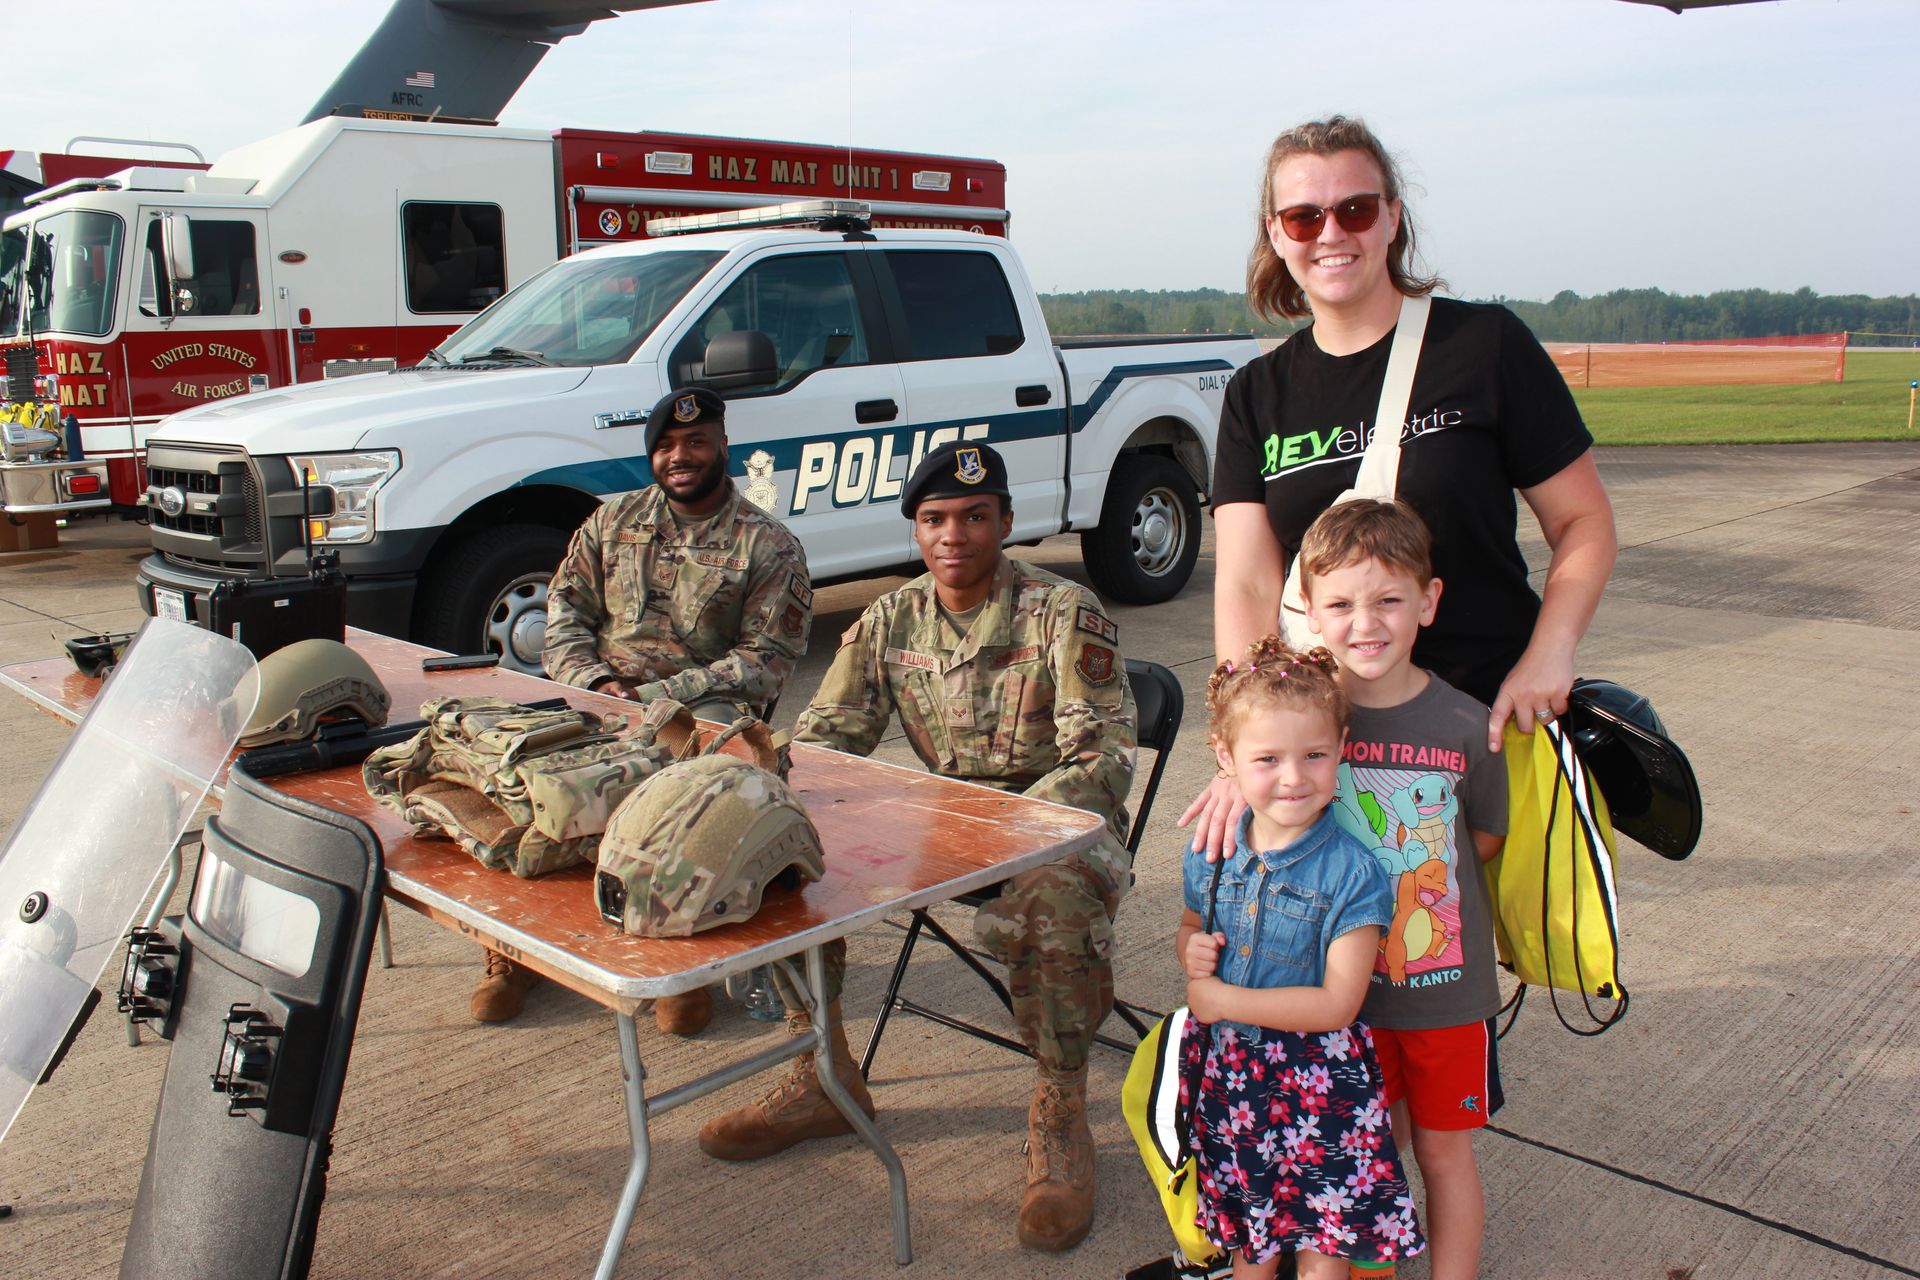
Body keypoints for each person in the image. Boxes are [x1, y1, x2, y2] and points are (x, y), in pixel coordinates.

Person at [694, 441, 1137, 1254]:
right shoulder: (892, 618)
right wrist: (759, 774)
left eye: (974, 516)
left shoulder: (1063, 612)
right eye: (934, 519)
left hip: (1060, 826)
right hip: (944, 830)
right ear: (916, 530)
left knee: (1055, 888)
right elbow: (830, 737)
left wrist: (1009, 835)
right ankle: (825, 1077)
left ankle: (1061, 1109)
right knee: (775, 845)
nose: (954, 534)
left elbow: (1101, 760)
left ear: (1005, 521)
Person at [1183, 114, 1616, 860]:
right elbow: (1249, 584)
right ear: (1276, 233)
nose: (1331, 233)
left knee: (1454, 961)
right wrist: (1246, 738)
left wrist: (1550, 653)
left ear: (1391, 218)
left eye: (1355, 209)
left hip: (1482, 729)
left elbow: (1585, 524)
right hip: (1329, 752)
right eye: (1304, 216)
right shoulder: (1256, 394)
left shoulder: (1483, 347)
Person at [468, 385, 813, 1034]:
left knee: (679, 802)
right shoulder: (611, 522)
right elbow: (565, 614)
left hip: (696, 713)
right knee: (514, 781)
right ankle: (510, 954)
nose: (680, 456)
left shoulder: (766, 543)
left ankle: (684, 968)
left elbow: (764, 660)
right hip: (599, 699)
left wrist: (651, 702)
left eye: (695, 442)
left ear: (722, 447)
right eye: (666, 446)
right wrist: (594, 685)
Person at [1300, 498, 1508, 1280]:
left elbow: (1480, 839)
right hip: (1335, 996)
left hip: (1444, 996)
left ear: (1429, 600)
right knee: (1351, 1150)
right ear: (1311, 612)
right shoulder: (1309, 721)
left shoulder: (1467, 724)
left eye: (1389, 598)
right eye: (1342, 603)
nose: (1367, 622)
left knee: (1443, 1154)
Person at [1178, 637, 1421, 1279]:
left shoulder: (1352, 874)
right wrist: (1192, 949)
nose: (1294, 777)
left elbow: (1340, 1003)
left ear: (1341, 747)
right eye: (1268, 758)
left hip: (1321, 1086)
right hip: (1235, 1082)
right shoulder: (1213, 852)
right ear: (1226, 758)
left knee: (1323, 1244)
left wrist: (1222, 999)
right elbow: (1191, 926)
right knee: (1250, 1244)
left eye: (1314, 755)